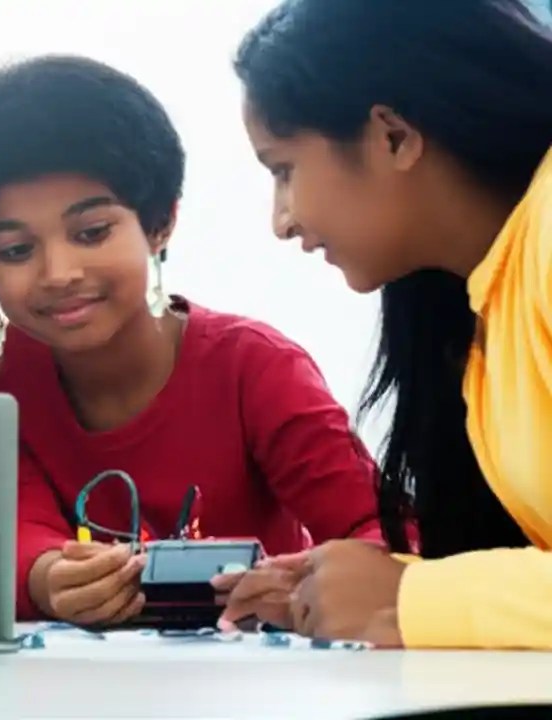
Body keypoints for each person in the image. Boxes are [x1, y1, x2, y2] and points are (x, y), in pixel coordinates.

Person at [0, 54, 384, 626]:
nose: (58, 273)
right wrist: (45, 578)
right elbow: (14, 532)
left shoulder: (254, 368)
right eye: (16, 250)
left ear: (161, 223)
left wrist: (308, 584)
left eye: (92, 232)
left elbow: (380, 531)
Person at [219, 0, 552, 649]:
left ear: (393, 137)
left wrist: (411, 598)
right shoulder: (482, 302)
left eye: (284, 170)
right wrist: (355, 591)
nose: (282, 220)